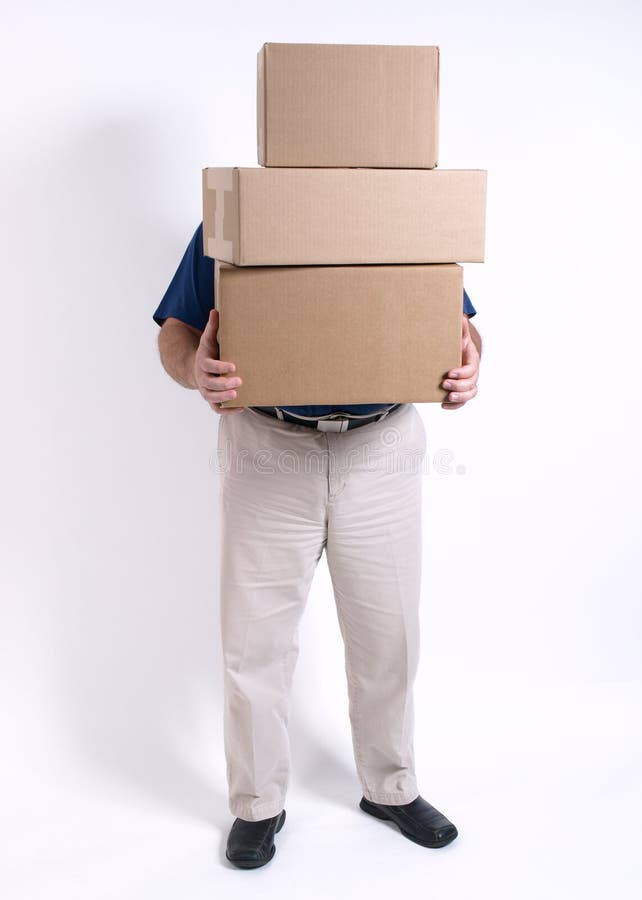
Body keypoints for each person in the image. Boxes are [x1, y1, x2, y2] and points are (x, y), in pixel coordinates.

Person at [154, 224, 482, 869]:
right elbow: (175, 329)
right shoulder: (245, 211)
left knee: (389, 636)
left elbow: (461, 323)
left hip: (380, 443)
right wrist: (194, 369)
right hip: (267, 442)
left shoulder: (398, 211)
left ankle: (390, 788)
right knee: (255, 645)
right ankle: (256, 805)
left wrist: (471, 363)